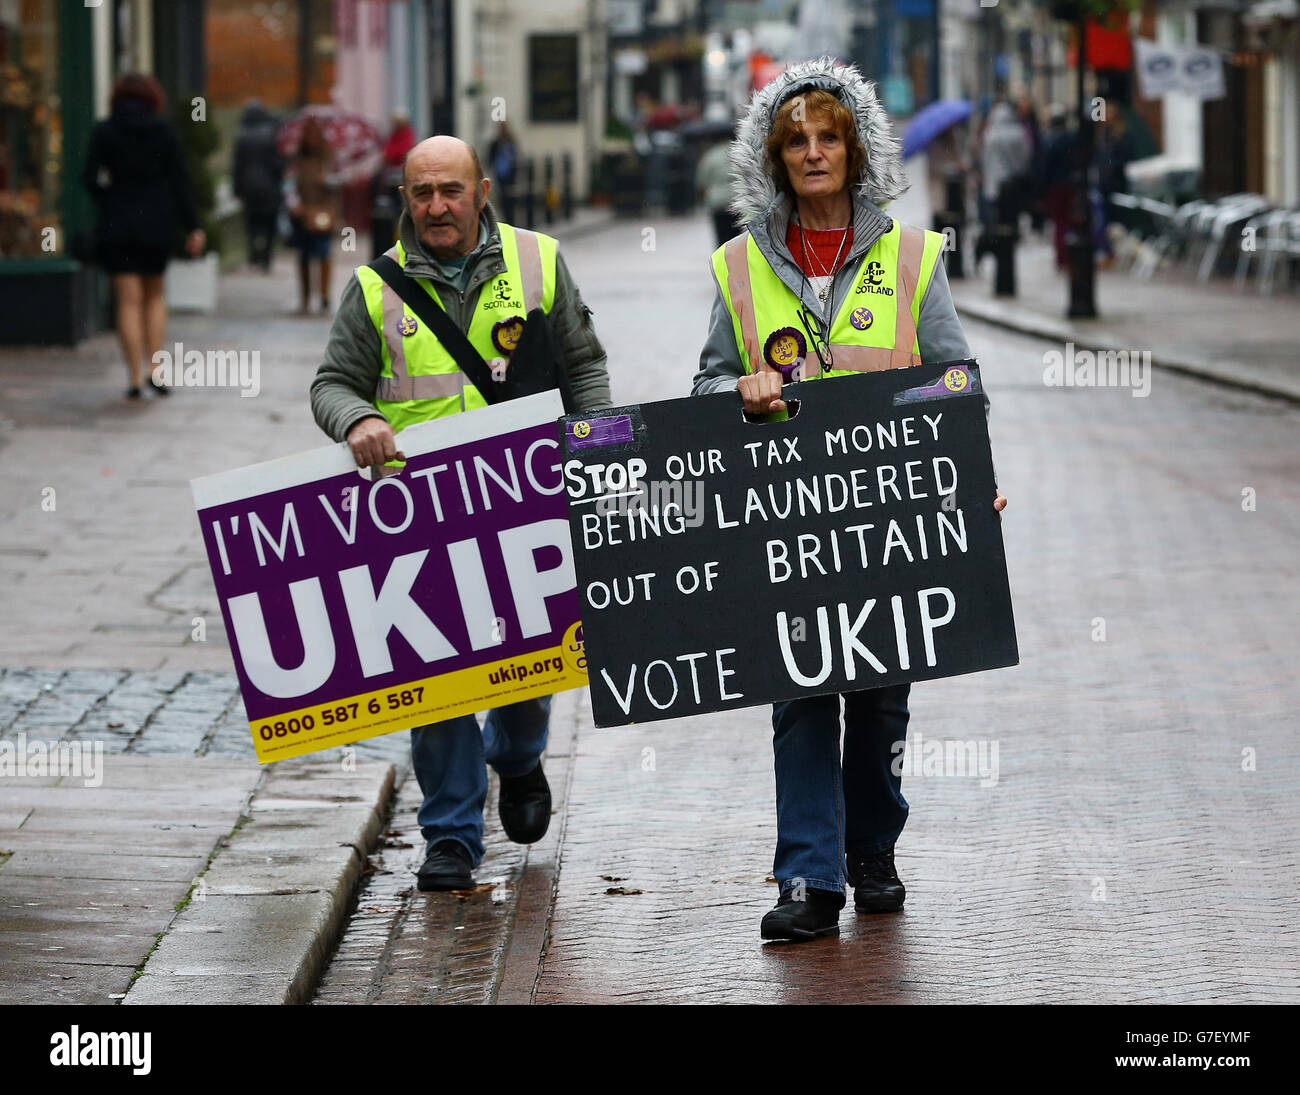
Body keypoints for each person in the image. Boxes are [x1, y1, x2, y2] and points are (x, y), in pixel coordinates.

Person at [694, 58, 1007, 942]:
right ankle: (807, 875)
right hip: (785, 519)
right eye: (796, 141)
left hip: (890, 519)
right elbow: (706, 382)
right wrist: (739, 393)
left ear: (858, 148)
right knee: (796, 691)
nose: (815, 152)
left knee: (879, 694)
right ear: (775, 157)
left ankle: (873, 849)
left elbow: (953, 378)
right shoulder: (738, 262)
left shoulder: (913, 257)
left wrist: (971, 480)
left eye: (829, 136)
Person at [309, 135, 611, 892]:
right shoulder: (375, 289)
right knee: (438, 677)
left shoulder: (539, 260)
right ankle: (450, 834)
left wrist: (602, 452)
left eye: (450, 191)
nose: (437, 207)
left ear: (481, 190)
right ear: (404, 200)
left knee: (525, 665)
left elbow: (583, 365)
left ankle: (515, 751)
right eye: (421, 194)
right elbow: (332, 383)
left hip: (525, 505)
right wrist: (355, 421)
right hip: (420, 517)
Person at [83, 73, 204, 399]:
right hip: (157, 223)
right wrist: (193, 225)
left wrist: (111, 199)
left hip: (118, 224)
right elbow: (180, 182)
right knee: (154, 297)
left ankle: (135, 377)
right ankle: (156, 370)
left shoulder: (105, 131)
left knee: (128, 301)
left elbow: (89, 179)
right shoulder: (164, 132)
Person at [286, 115, 340, 314]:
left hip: (323, 213)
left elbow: (339, 181)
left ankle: (325, 295)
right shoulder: (297, 159)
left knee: (324, 253)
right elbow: (288, 184)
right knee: (304, 256)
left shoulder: (328, 158)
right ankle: (306, 296)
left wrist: (327, 180)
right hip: (302, 214)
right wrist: (294, 204)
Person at [232, 100, 284, 272]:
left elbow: (237, 167)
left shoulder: (241, 137)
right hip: (270, 188)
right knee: (269, 224)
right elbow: (278, 164)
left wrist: (237, 189)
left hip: (249, 188)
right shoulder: (272, 135)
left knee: (252, 224)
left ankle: (254, 255)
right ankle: (266, 259)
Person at [695, 132, 743, 245]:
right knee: (737, 235)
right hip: (737, 198)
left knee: (721, 234)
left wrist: (701, 195)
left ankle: (722, 259)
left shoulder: (711, 155)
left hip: (718, 201)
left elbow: (702, 179)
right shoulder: (738, 152)